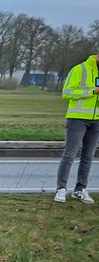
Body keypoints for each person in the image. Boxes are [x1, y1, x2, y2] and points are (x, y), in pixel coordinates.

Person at [55, 53, 98, 204]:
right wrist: (92, 91)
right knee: (70, 154)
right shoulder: (80, 69)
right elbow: (66, 93)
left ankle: (80, 189)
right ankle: (61, 189)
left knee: (88, 156)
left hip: (97, 121)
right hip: (77, 119)